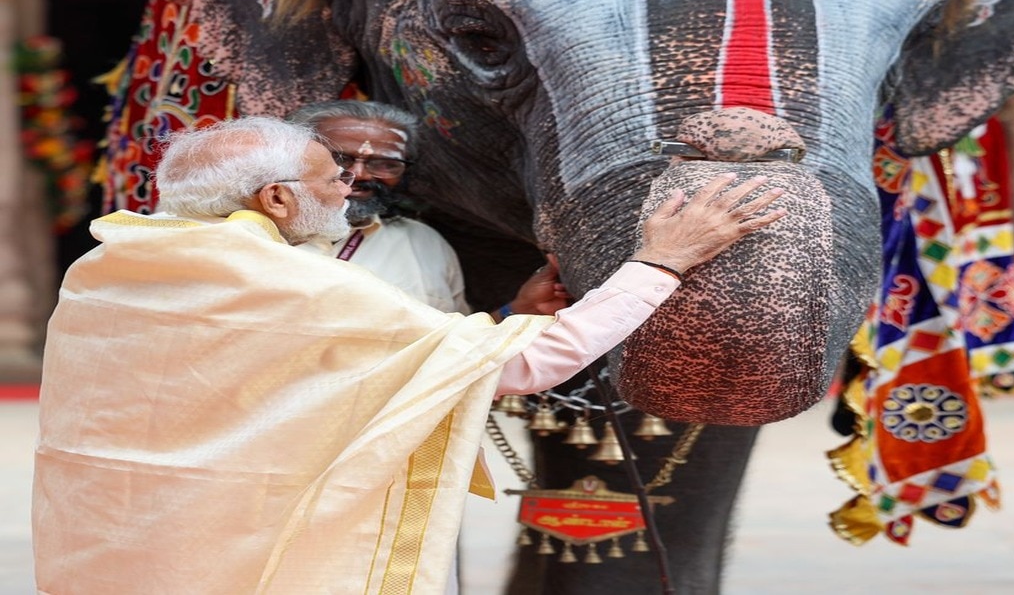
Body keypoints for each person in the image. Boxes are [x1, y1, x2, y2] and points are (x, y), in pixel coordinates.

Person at [32, 116, 785, 594]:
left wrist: (498, 318)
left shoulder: (110, 263)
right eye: (331, 177)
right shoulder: (285, 281)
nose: (348, 189)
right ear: (276, 200)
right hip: (253, 550)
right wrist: (662, 260)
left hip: (123, 547)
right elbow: (528, 364)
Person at [286, 99, 561, 320]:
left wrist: (519, 309)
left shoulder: (425, 243)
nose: (359, 174)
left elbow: (452, 351)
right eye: (339, 157)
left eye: (384, 164)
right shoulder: (251, 233)